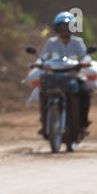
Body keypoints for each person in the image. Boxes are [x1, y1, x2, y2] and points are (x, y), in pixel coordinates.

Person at [38, 10, 92, 138]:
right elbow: (43, 57)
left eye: (66, 27)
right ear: (56, 28)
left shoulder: (77, 42)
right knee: (42, 92)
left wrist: (84, 62)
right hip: (55, 75)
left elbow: (85, 57)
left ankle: (82, 125)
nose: (63, 30)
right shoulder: (51, 43)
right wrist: (38, 63)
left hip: (73, 75)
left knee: (84, 92)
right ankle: (45, 122)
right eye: (60, 27)